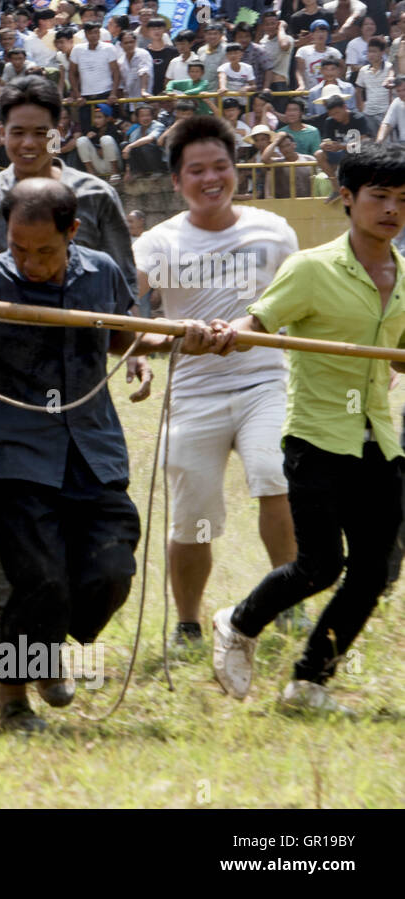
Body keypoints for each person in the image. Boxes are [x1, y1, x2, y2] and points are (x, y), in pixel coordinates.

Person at [0, 178, 225, 731]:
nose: (30, 262)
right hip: (15, 454)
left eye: (45, 251)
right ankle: (12, 700)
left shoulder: (100, 271)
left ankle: (46, 649)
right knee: (41, 582)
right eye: (18, 249)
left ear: (73, 232)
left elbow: (124, 334)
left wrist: (181, 338)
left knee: (111, 569)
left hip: (92, 449)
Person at [0, 76, 144, 663]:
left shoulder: (94, 209)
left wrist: (149, 348)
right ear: (0, 133)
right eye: (16, 131)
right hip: (10, 416)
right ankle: (11, 643)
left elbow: (127, 309)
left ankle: (40, 640)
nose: (26, 142)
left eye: (38, 133)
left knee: (106, 561)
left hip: (85, 421)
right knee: (25, 547)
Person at [211, 142, 405, 713]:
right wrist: (228, 333)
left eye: (402, 200)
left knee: (372, 574)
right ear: (347, 199)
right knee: (320, 565)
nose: (392, 210)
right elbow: (259, 322)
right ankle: (238, 622)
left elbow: (396, 357)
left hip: (379, 440)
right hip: (317, 438)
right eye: (379, 197)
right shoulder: (312, 268)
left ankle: (308, 683)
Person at [131, 115, 299, 650]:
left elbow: (299, 306)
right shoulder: (156, 244)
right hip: (194, 393)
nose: (211, 179)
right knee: (193, 515)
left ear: (236, 171)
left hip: (263, 383)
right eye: (196, 170)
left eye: (220, 167)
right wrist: (158, 346)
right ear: (177, 181)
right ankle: (187, 623)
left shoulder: (275, 232)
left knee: (274, 476)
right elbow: (125, 318)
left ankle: (286, 604)